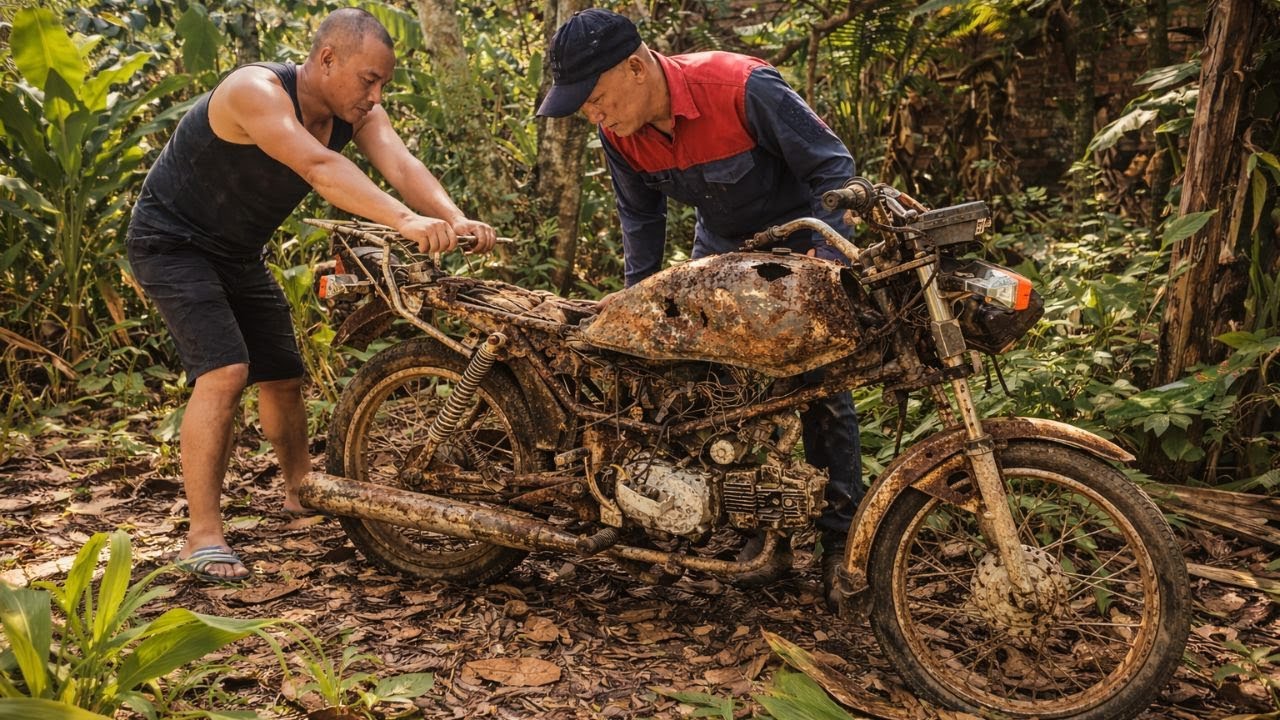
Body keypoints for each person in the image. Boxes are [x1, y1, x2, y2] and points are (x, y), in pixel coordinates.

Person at [128, 8, 496, 584]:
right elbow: (320, 168)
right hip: (171, 243)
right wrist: (405, 221)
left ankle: (300, 489)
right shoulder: (255, 91)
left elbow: (401, 164)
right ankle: (202, 536)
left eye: (383, 84)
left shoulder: (358, 112)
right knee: (225, 371)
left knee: (282, 374)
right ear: (327, 59)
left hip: (237, 251)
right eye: (369, 80)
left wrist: (453, 217)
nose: (375, 96)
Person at [537, 8, 864, 609]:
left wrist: (827, 260)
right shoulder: (621, 133)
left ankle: (841, 545)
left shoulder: (742, 87)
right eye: (583, 107)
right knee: (716, 391)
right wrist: (638, 304)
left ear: (636, 68)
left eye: (596, 98)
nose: (594, 115)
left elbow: (833, 167)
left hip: (802, 249)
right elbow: (641, 219)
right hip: (720, 255)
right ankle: (755, 531)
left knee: (820, 391)